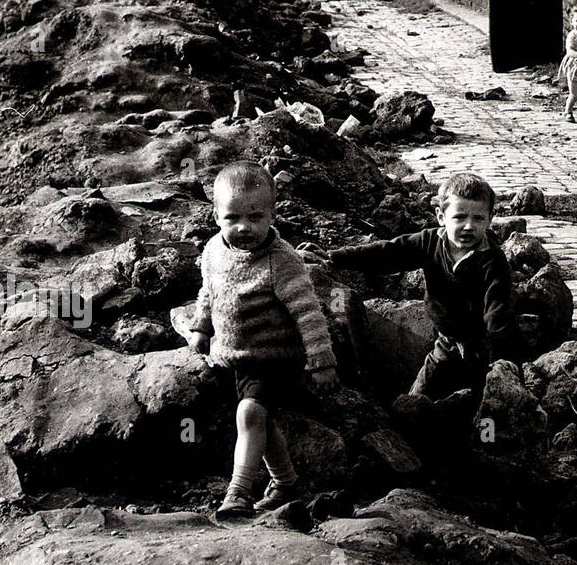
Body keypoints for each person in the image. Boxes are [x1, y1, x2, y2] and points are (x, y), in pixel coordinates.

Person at [189, 162, 339, 521]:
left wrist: (323, 360)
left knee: (251, 413)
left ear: (273, 214)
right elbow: (209, 291)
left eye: (256, 217)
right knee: (263, 424)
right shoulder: (213, 250)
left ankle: (238, 493)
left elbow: (309, 312)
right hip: (235, 356)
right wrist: (201, 328)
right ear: (216, 216)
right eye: (233, 218)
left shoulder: (281, 261)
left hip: (275, 357)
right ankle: (286, 483)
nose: (244, 227)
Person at [312, 172, 517, 400]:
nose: (469, 226)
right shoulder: (430, 242)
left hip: (482, 348)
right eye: (460, 217)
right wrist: (336, 257)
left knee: (486, 405)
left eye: (478, 219)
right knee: (416, 400)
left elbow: (497, 313)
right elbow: (388, 253)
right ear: (441, 216)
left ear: (490, 219)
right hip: (446, 343)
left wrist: (499, 361)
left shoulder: (492, 260)